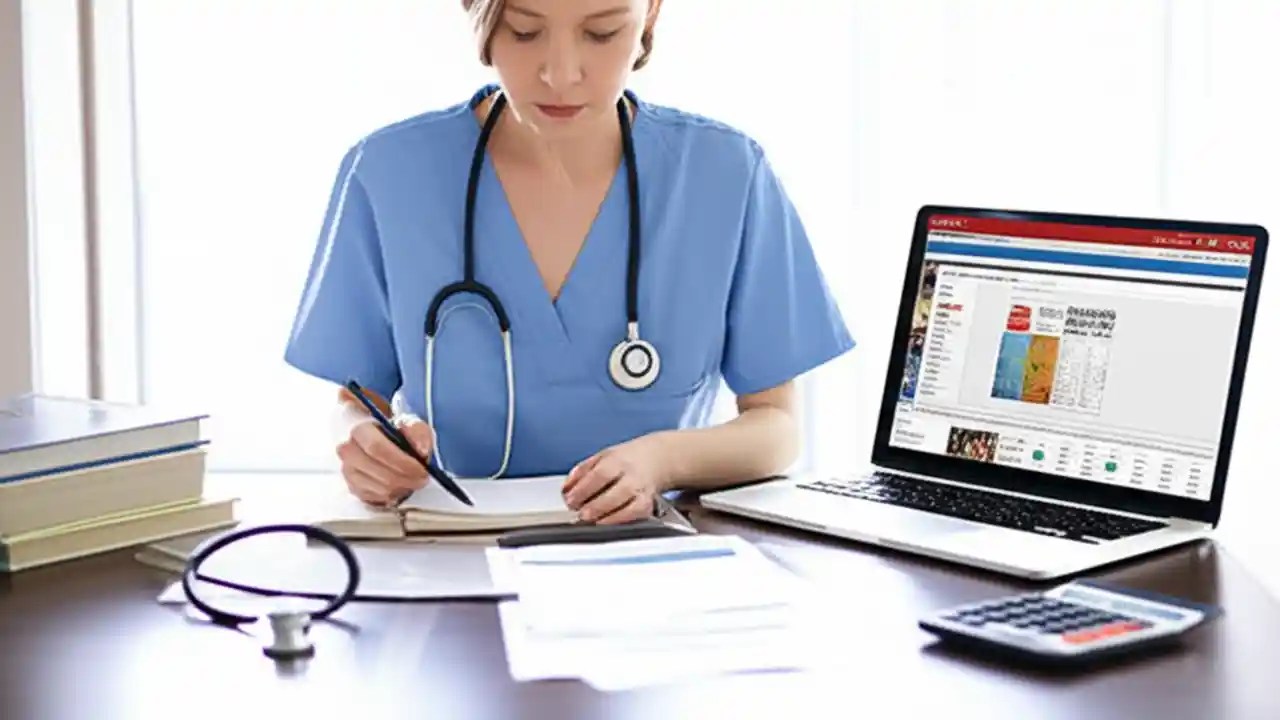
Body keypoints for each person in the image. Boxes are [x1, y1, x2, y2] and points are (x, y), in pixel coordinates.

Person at [283, 0, 855, 525]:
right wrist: (369, 448)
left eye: (601, 32)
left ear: (649, 13)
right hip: (448, 550)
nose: (561, 73)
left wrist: (661, 460)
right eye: (525, 31)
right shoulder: (388, 172)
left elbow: (777, 427)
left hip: (655, 557)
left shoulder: (725, 173)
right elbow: (357, 402)